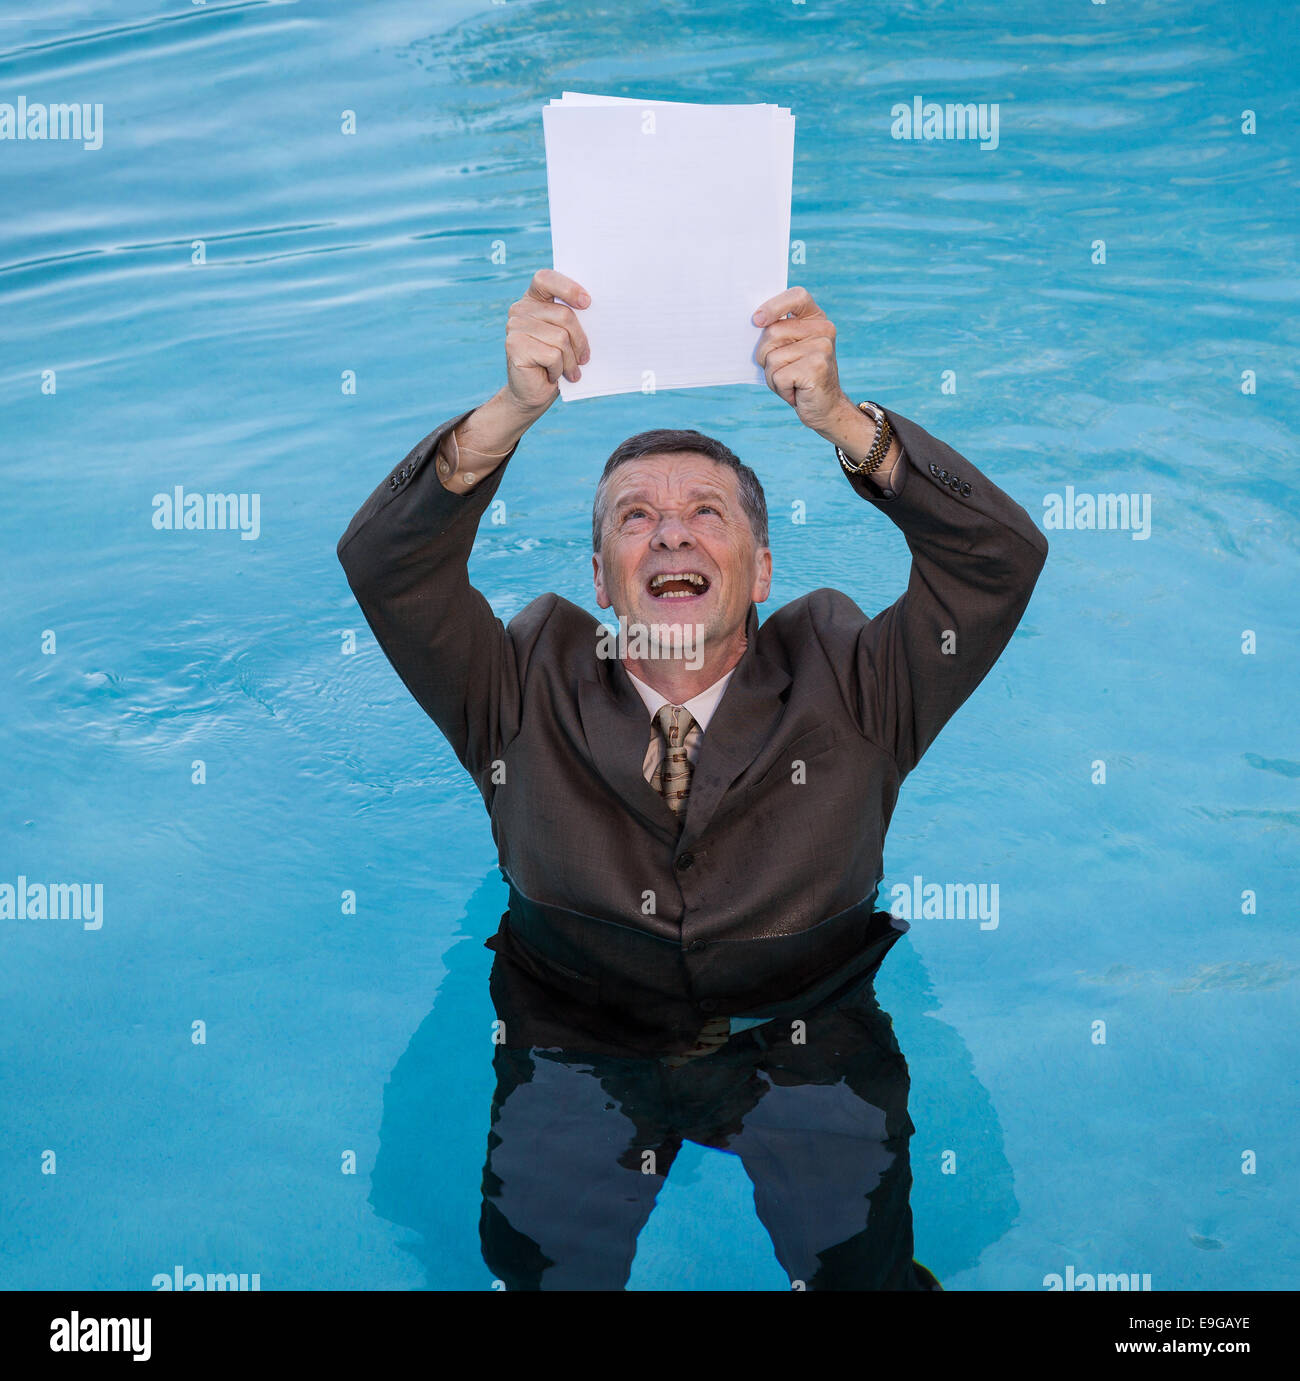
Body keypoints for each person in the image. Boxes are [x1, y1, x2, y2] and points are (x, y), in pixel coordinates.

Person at [337, 269, 1047, 1288]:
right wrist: (511, 410)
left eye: (706, 512)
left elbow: (997, 561)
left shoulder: (859, 684)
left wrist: (847, 422)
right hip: (575, 1040)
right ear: (599, 581)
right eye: (635, 518)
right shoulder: (514, 688)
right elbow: (385, 563)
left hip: (803, 1037)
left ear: (760, 571)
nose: (671, 531)